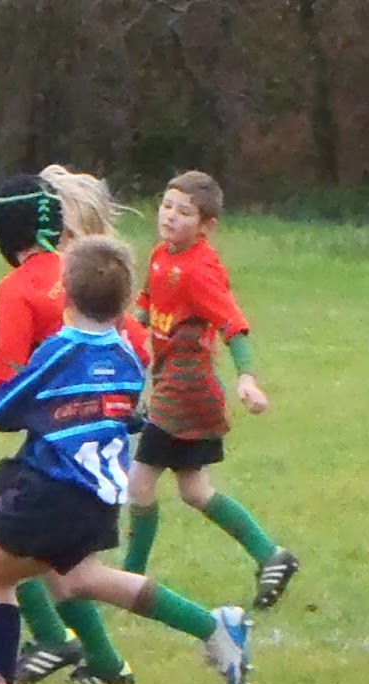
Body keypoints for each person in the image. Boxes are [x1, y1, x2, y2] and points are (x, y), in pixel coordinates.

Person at [0, 236, 253, 684]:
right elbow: (122, 412)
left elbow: (6, 411)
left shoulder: (59, 349)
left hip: (50, 490)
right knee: (9, 578)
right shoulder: (125, 356)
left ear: (63, 296)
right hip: (95, 502)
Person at [0, 172, 141, 684]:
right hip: (86, 459)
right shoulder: (106, 314)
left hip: (48, 456)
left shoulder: (28, 291)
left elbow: (6, 391)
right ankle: (83, 662)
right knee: (27, 564)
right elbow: (137, 356)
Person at [122, 171, 299, 611]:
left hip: (186, 387)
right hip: (172, 382)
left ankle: (128, 578)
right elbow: (146, 305)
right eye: (166, 206)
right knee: (194, 491)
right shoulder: (162, 256)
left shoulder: (199, 270)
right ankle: (271, 555)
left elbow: (232, 324)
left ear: (206, 226)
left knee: (140, 483)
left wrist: (246, 376)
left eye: (184, 212)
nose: (170, 216)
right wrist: (118, 332)